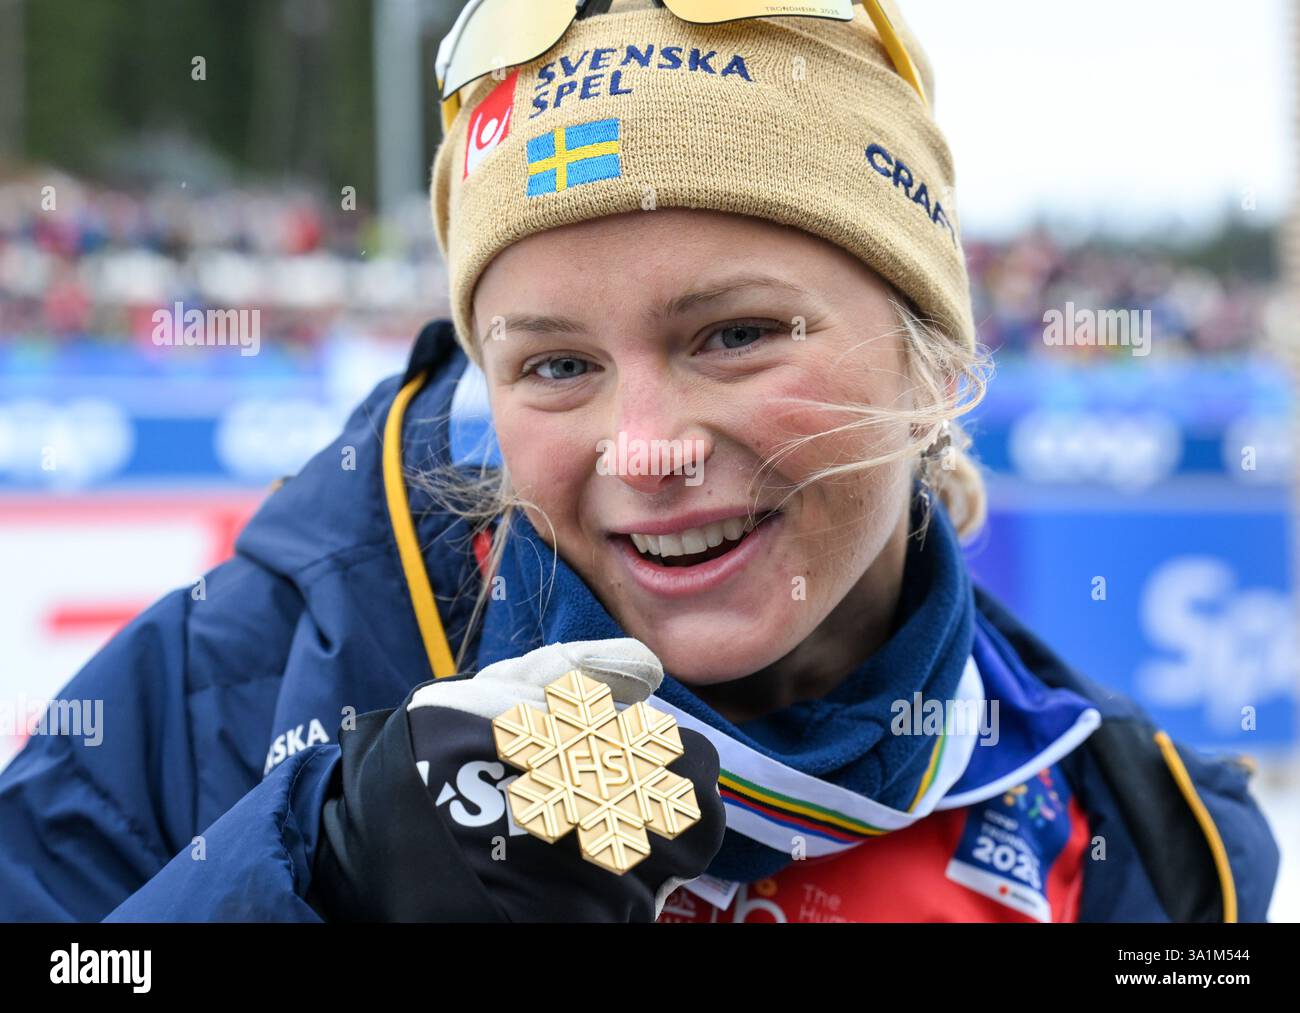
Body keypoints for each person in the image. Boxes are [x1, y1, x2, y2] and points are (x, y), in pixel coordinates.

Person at [0, 0, 1279, 923]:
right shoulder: (222, 694)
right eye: (557, 364)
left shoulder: (1153, 839)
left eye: (735, 334)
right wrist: (316, 879)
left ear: (933, 357)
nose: (650, 446)